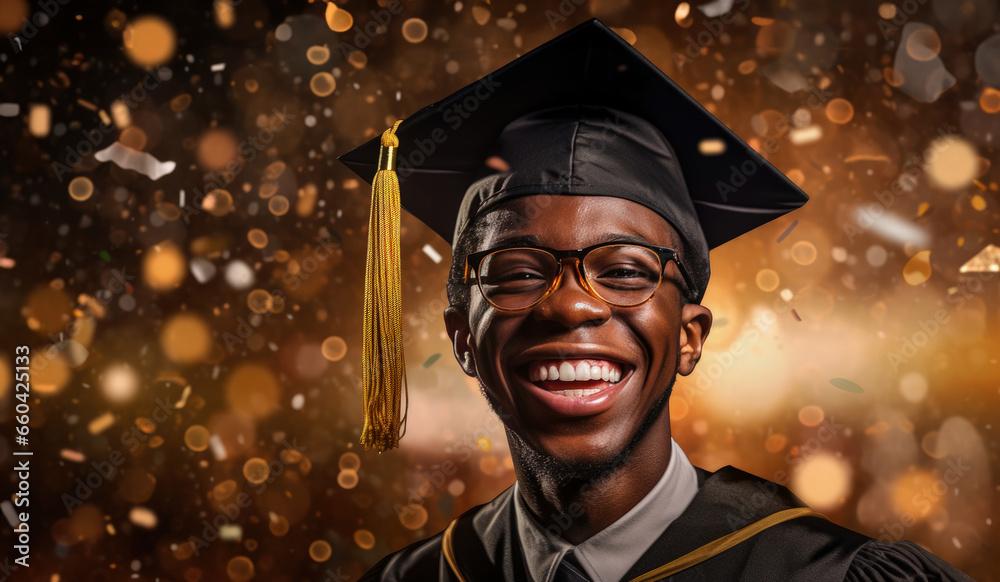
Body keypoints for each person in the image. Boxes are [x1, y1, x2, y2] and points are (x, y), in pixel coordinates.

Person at [339, 19, 974, 582]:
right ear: (462, 341)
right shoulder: (418, 576)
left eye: (622, 271)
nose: (569, 307)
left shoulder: (826, 575)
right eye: (518, 273)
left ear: (693, 336)